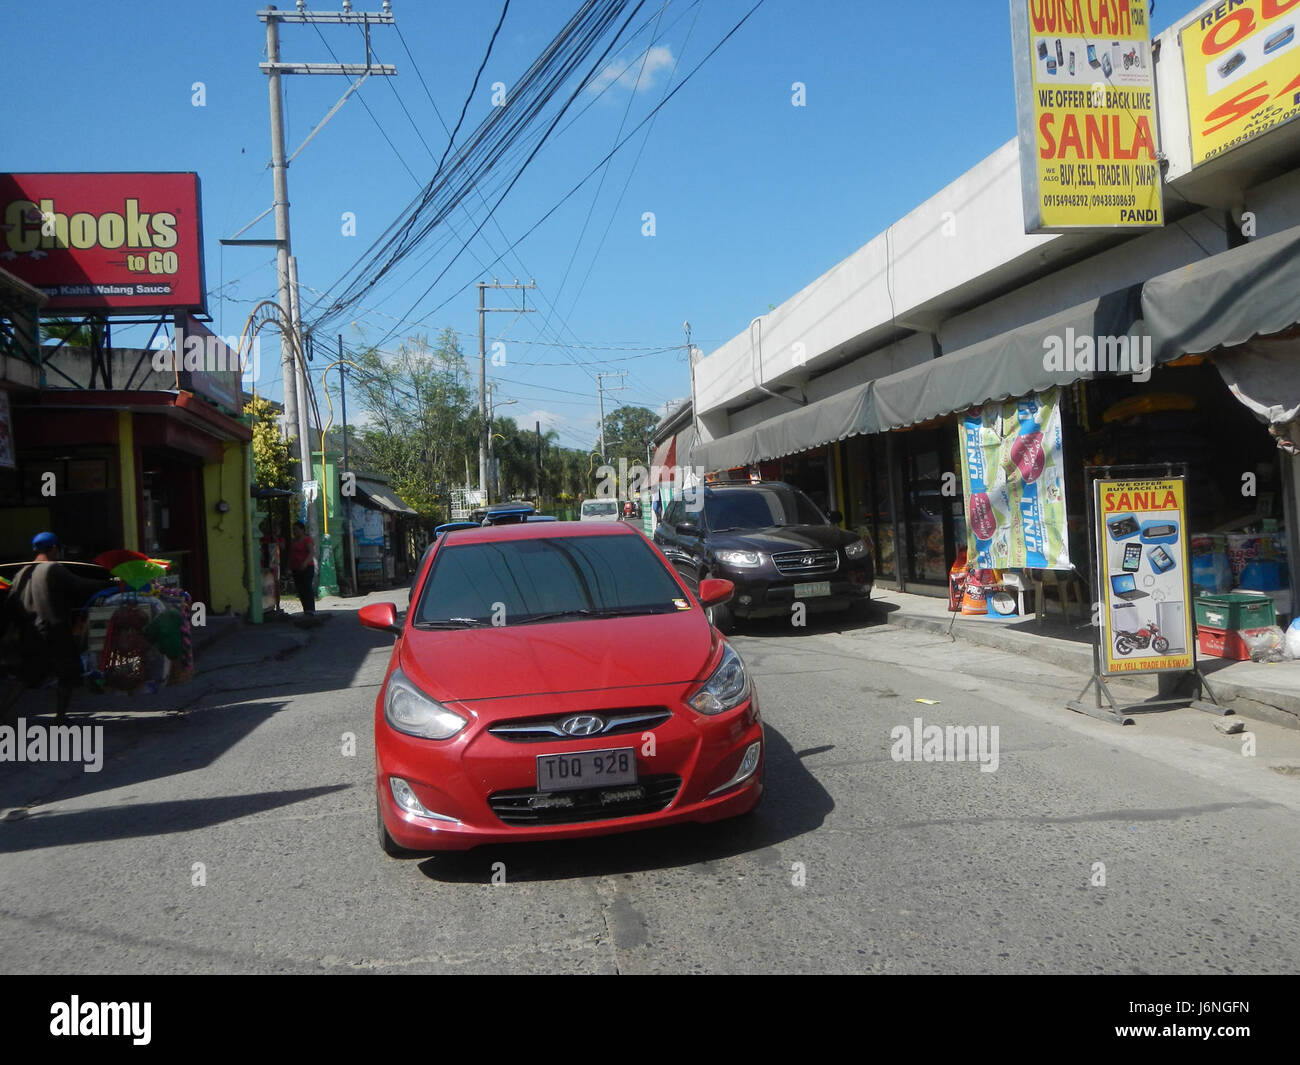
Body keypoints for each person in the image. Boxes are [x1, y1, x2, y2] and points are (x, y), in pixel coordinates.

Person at [0, 532, 113, 724]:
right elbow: (80, 586)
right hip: (55, 632)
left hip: (30, 634)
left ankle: (2, 712)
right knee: (67, 674)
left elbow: (10, 604)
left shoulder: (21, 574)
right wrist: (110, 583)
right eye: (58, 549)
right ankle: (60, 718)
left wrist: (10, 632)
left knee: (25, 677)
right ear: (53, 548)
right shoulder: (54, 569)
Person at [288, 521, 318, 617]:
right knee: (300, 589)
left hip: (307, 567)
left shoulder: (307, 540)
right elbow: (291, 555)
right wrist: (288, 567)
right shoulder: (293, 541)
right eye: (293, 530)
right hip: (296, 568)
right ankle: (305, 609)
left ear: (302, 530)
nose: (294, 531)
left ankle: (310, 609)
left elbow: (311, 553)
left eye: (296, 529)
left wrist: (305, 563)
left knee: (307, 588)